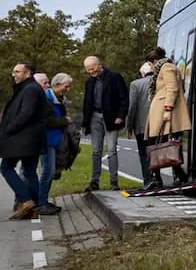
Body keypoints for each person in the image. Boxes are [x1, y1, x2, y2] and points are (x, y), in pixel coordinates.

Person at [0, 63, 48, 220]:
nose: (14, 74)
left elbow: (26, 113)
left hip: (22, 138)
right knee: (29, 171)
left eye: (17, 72)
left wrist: (9, 129)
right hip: (29, 139)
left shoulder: (30, 89)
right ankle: (32, 208)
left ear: (28, 74)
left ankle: (26, 200)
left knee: (6, 168)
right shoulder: (29, 88)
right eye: (13, 71)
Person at [144, 47, 190, 188]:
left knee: (159, 145)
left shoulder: (167, 67)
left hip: (165, 113)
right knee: (163, 145)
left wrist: (167, 109)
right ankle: (176, 175)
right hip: (159, 112)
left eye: (150, 64)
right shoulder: (163, 68)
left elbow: (173, 88)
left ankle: (160, 178)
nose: (150, 67)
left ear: (155, 61)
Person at [81, 56, 128, 192]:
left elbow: (124, 98)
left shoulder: (114, 77)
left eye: (93, 68)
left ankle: (114, 182)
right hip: (94, 118)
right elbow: (86, 102)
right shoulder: (89, 82)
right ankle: (94, 181)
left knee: (112, 150)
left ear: (99, 65)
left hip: (111, 118)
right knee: (96, 151)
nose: (91, 71)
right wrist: (85, 123)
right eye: (88, 70)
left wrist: (120, 116)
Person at [38, 73, 73, 215]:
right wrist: (65, 120)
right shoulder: (47, 99)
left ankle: (42, 201)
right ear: (57, 85)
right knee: (48, 171)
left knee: (50, 171)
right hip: (46, 140)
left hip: (53, 140)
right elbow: (47, 120)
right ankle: (40, 203)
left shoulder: (58, 98)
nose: (68, 89)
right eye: (66, 86)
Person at [127, 62, 154, 190]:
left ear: (142, 73)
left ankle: (148, 180)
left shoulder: (135, 84)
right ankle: (157, 179)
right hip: (158, 125)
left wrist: (129, 126)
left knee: (144, 154)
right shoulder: (160, 82)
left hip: (142, 126)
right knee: (156, 152)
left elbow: (132, 107)